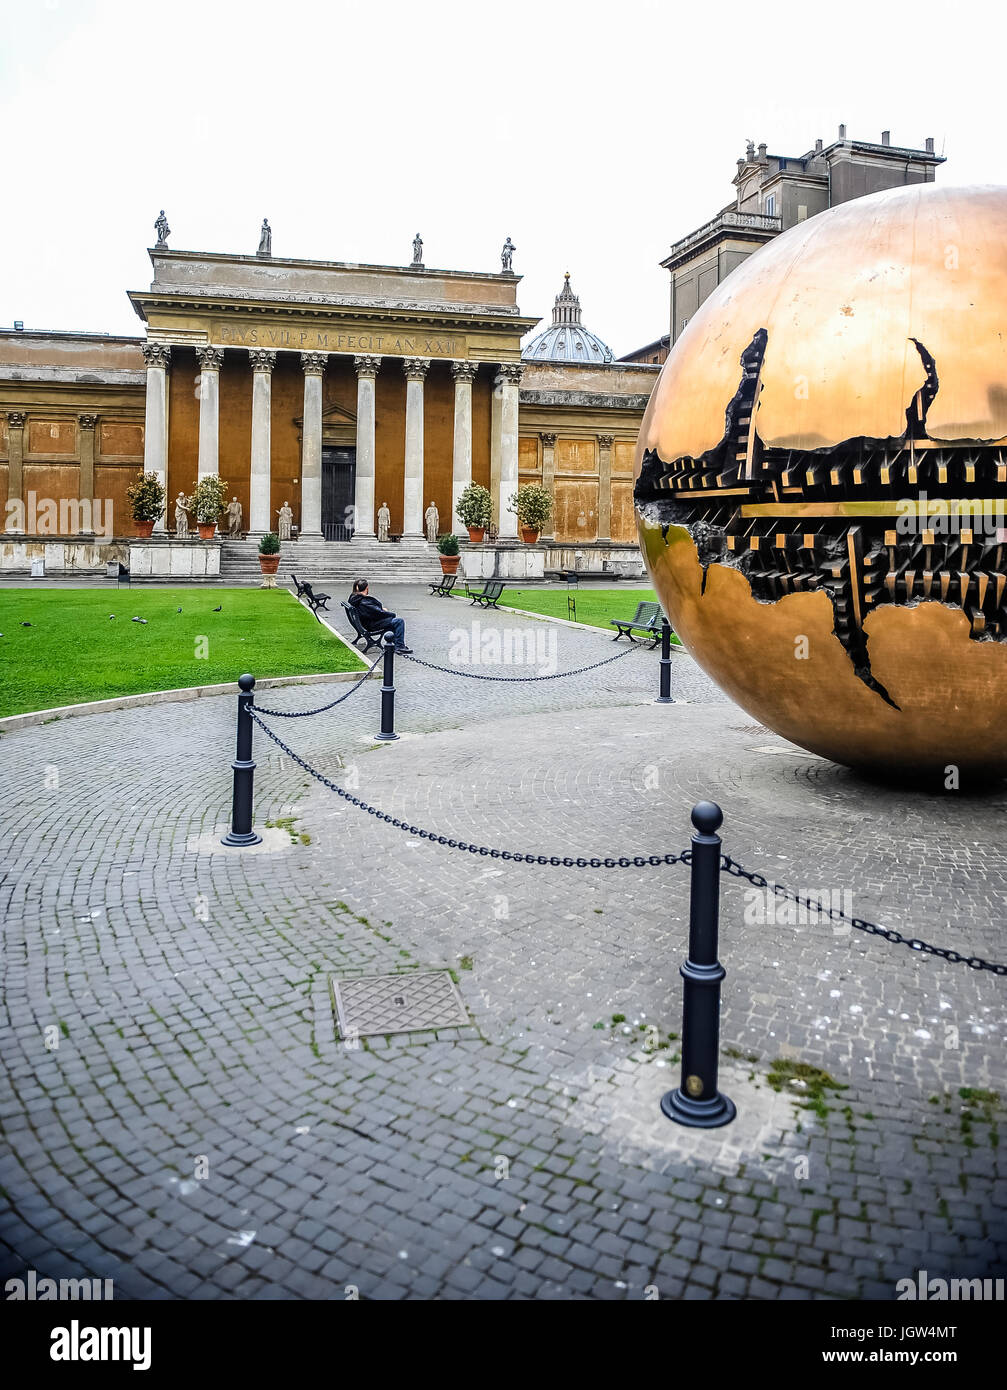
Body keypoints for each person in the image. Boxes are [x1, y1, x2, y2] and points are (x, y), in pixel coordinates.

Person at [348, 578, 412, 653]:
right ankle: (399, 646)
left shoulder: (355, 598)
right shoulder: (364, 601)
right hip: (370, 625)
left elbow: (373, 612)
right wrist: (390, 614)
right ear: (367, 588)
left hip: (363, 623)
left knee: (393, 621)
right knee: (398, 621)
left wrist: (380, 609)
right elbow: (379, 614)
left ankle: (397, 644)